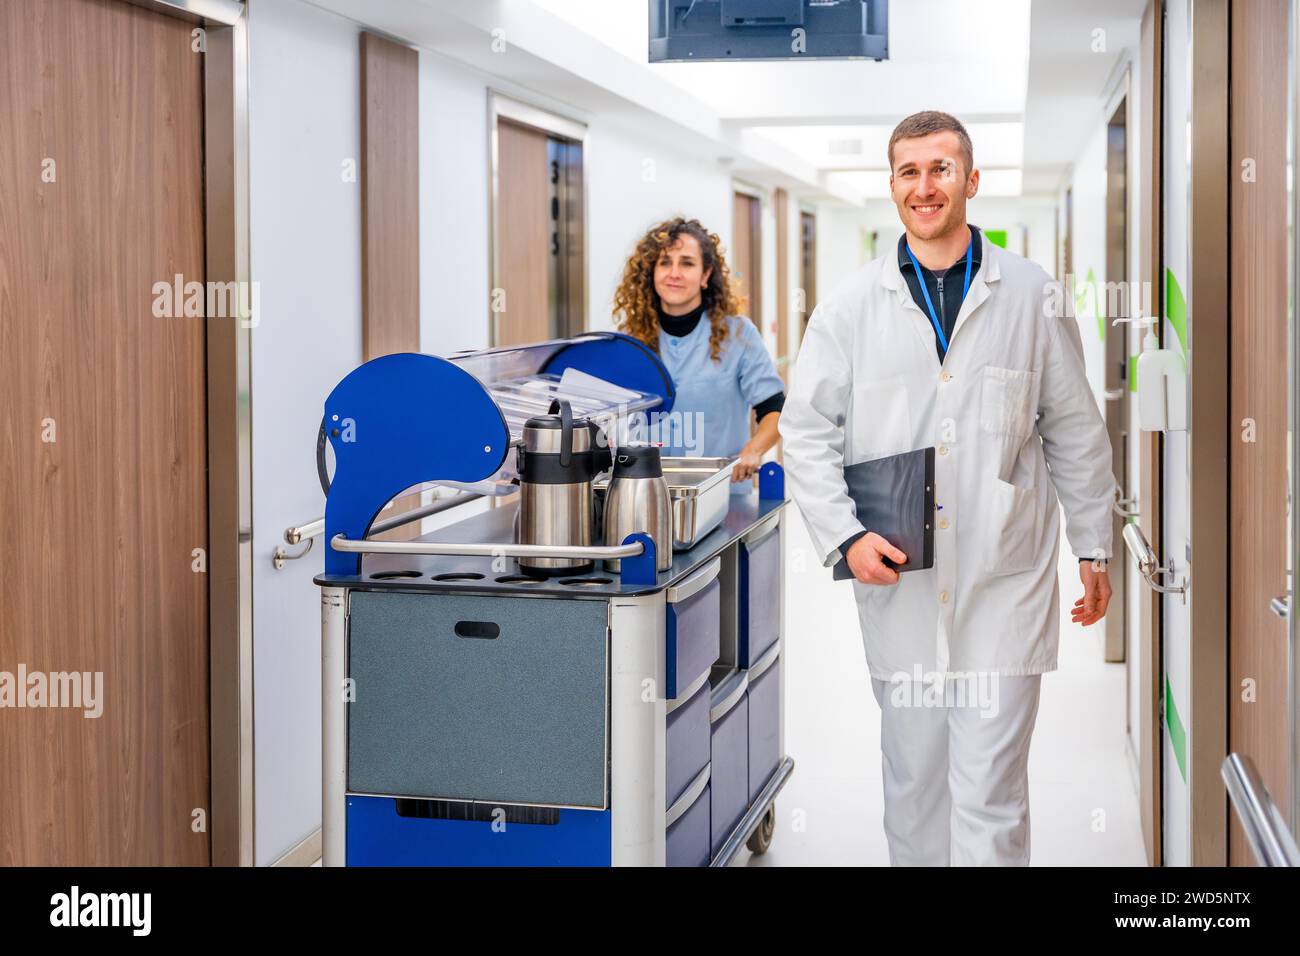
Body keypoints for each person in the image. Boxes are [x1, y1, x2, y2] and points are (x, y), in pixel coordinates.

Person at [779, 111, 1115, 866]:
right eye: (909, 172)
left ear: (971, 180)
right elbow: (806, 431)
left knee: (992, 800)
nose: (925, 187)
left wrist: (1094, 544)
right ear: (892, 185)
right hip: (901, 583)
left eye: (940, 169)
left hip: (1006, 583)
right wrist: (842, 534)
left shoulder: (1031, 293)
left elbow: (1073, 428)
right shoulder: (850, 306)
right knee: (914, 791)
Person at [613, 217, 784, 487]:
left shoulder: (738, 335)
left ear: (705, 275)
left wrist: (753, 450)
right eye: (665, 262)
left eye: (687, 263)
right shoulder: (629, 342)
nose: (674, 273)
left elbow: (774, 409)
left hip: (721, 494)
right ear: (651, 272)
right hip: (646, 492)